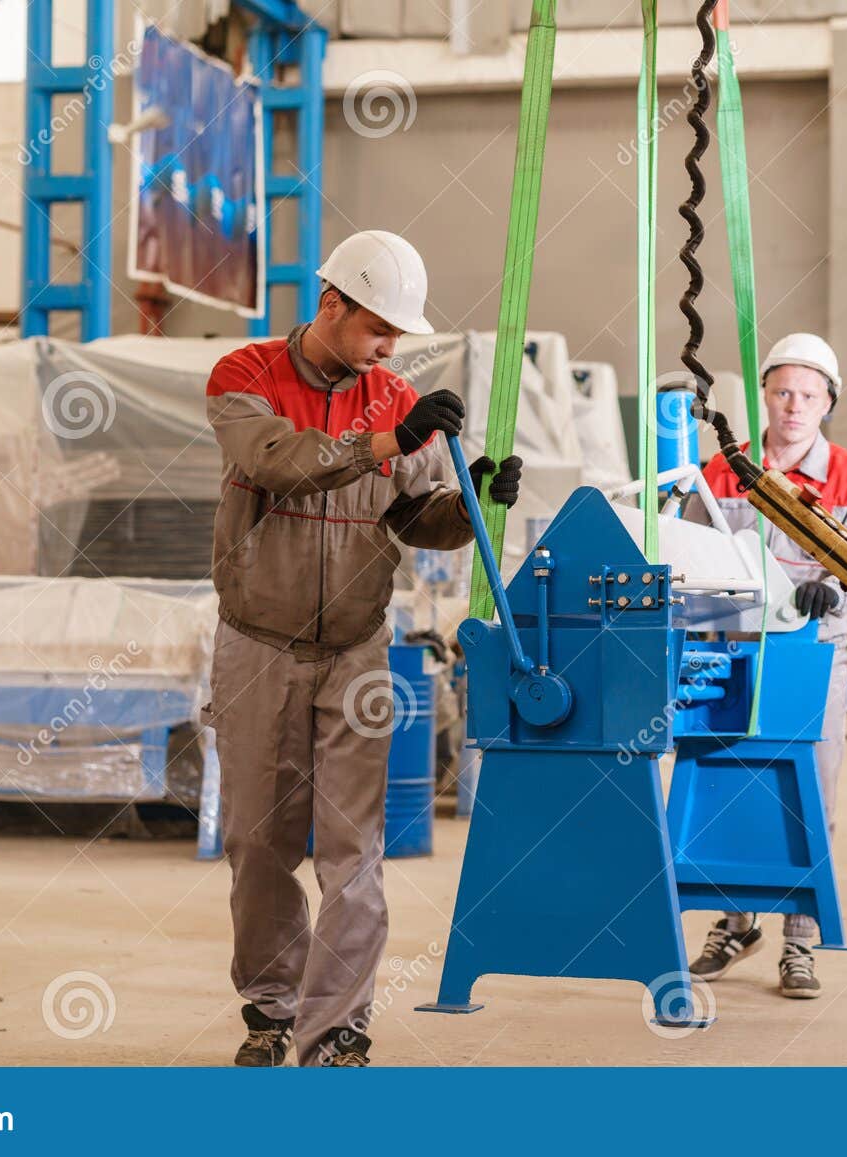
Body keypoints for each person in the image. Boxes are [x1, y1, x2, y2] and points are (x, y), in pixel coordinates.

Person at [204, 229, 522, 1067]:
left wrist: (478, 503)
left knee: (354, 843)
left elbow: (420, 517)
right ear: (332, 303)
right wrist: (390, 440)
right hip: (257, 644)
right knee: (259, 838)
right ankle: (272, 1007)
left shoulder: (390, 396)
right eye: (379, 327)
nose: (389, 348)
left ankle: (337, 1024)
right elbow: (275, 461)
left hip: (356, 650)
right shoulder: (245, 377)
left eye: (398, 336)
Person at [686, 332, 847, 998]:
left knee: (809, 796)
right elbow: (692, 550)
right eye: (781, 392)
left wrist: (831, 588)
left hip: (813, 656)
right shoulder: (725, 468)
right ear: (764, 397)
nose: (793, 406)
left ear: (828, 402)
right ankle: (735, 920)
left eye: (808, 394)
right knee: (725, 788)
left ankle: (799, 941)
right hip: (732, 652)